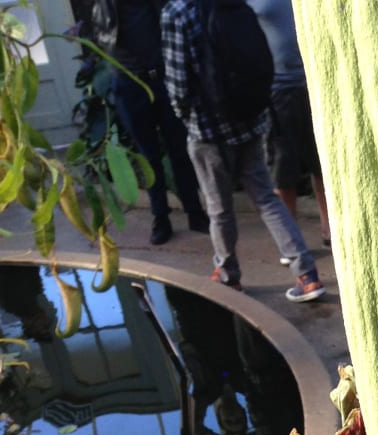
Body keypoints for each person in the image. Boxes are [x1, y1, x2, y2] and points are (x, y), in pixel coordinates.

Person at [160, 0, 327, 302]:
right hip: (250, 119)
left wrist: (189, 120)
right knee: (267, 199)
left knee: (219, 209)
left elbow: (178, 84)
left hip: (208, 130)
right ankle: (307, 276)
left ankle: (228, 275)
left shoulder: (177, 12)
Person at [71, 0, 209, 245]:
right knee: (147, 156)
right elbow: (100, 35)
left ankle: (194, 211)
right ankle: (161, 218)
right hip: (129, 84)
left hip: (164, 80)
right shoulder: (104, 4)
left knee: (179, 150)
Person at [247, 0, 331, 254]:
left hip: (316, 83)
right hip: (277, 90)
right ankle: (293, 244)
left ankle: (333, 231)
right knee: (283, 170)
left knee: (323, 164)